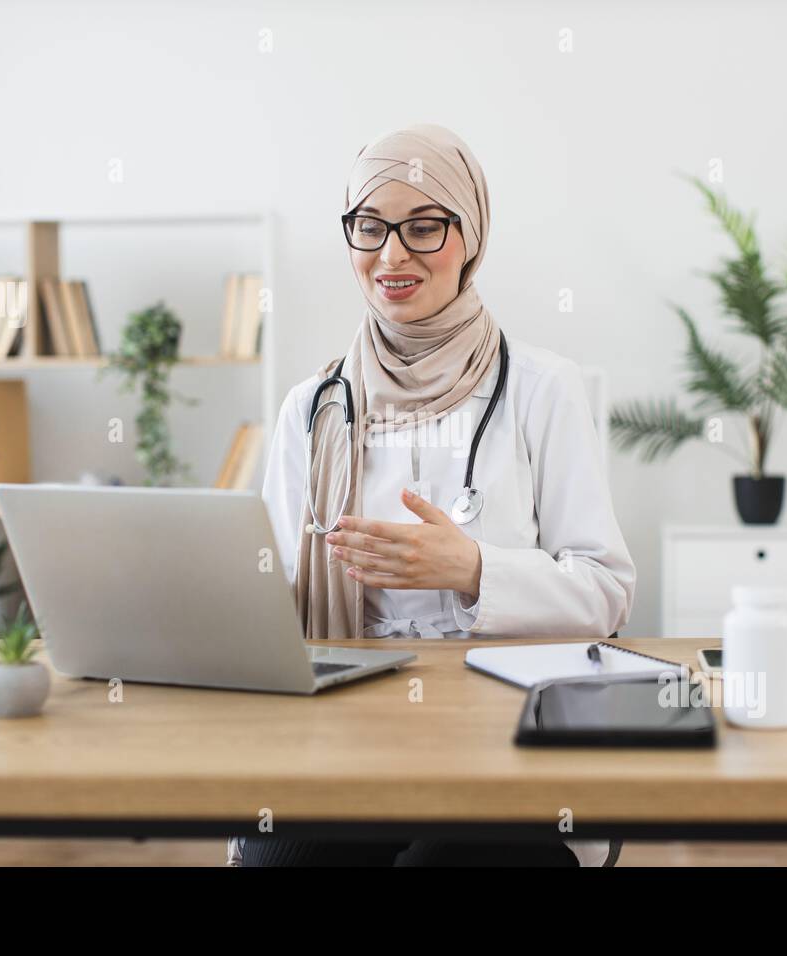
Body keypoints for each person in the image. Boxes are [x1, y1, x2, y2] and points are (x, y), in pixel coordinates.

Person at [236, 124, 636, 867]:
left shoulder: (543, 388)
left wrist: (475, 568)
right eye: (370, 227)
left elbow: (607, 592)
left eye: (424, 227)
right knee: (279, 862)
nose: (392, 255)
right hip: (350, 731)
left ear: (471, 238)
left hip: (513, 726)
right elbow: (275, 592)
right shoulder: (313, 407)